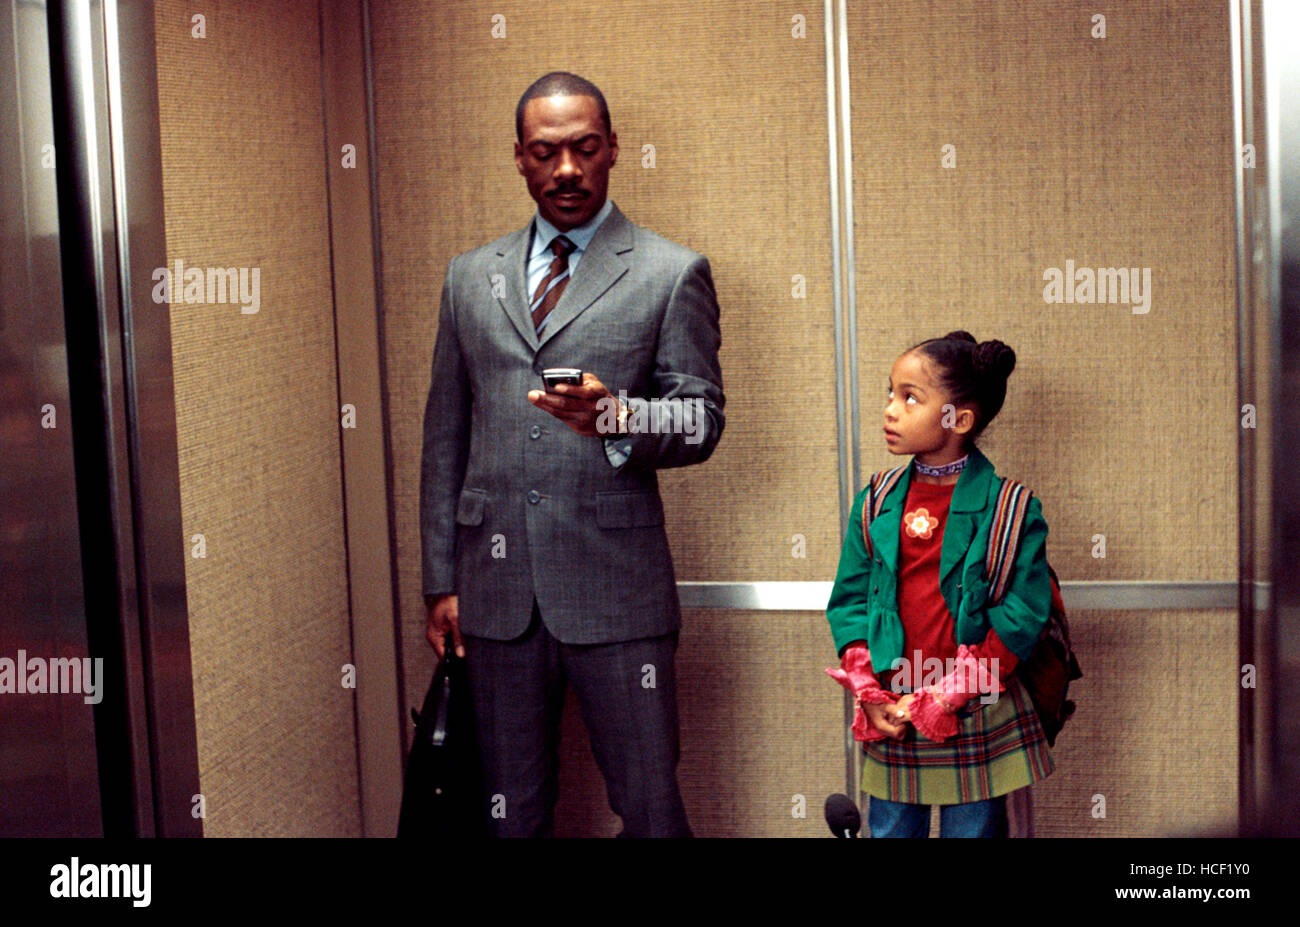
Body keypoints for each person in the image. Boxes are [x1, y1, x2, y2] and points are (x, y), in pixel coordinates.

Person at [419, 71, 724, 837]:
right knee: (509, 815)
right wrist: (439, 580)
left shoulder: (668, 271)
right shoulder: (468, 278)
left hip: (619, 594)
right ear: (519, 158)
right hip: (494, 597)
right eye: (546, 152)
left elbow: (703, 418)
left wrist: (616, 414)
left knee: (651, 809)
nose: (567, 169)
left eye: (585, 148)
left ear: (613, 149)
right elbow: (444, 434)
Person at [824, 331, 1055, 837]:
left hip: (974, 709)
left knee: (974, 832)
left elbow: (1023, 617)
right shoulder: (875, 501)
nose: (890, 409)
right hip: (894, 709)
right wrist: (868, 690)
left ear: (960, 420)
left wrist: (949, 694)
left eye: (910, 397)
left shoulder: (1011, 509)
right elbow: (850, 600)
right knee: (889, 830)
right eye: (890, 393)